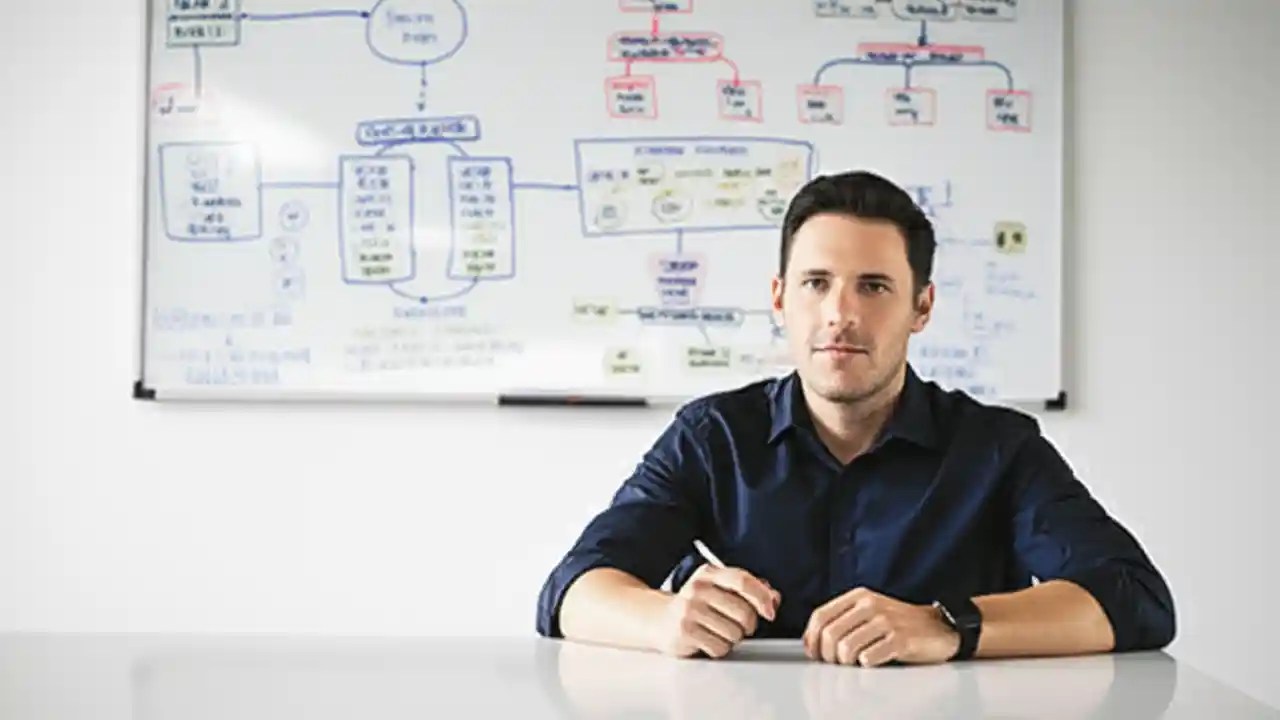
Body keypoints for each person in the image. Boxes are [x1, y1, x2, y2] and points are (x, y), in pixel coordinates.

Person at [535, 171, 1175, 666]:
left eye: (874, 286)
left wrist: (946, 625)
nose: (840, 314)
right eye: (816, 283)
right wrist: (663, 619)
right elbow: (570, 592)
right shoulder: (713, 438)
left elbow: (1134, 598)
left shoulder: (995, 448)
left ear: (921, 307)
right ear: (780, 298)